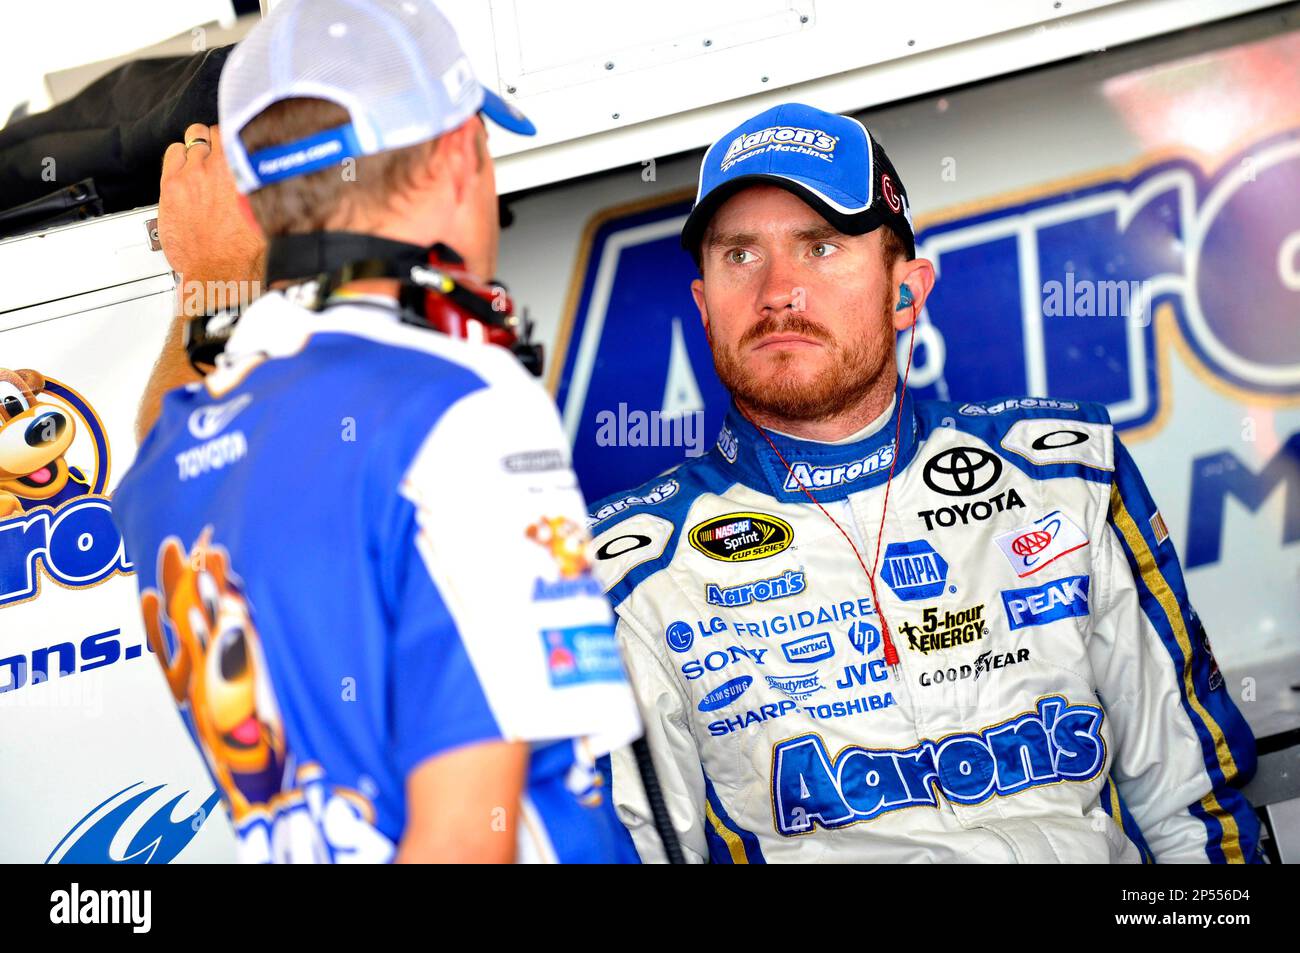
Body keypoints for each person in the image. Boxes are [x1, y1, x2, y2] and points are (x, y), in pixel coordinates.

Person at [588, 101, 1260, 863]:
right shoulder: (629, 568)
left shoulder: (1066, 472)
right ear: (705, 308)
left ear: (906, 292)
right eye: (740, 255)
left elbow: (1196, 815)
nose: (779, 289)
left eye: (821, 247)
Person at [112, 0, 641, 863]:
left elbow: (170, 430)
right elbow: (469, 838)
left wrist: (208, 282)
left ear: (251, 207)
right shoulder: (462, 403)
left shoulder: (179, 457)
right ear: (459, 151)